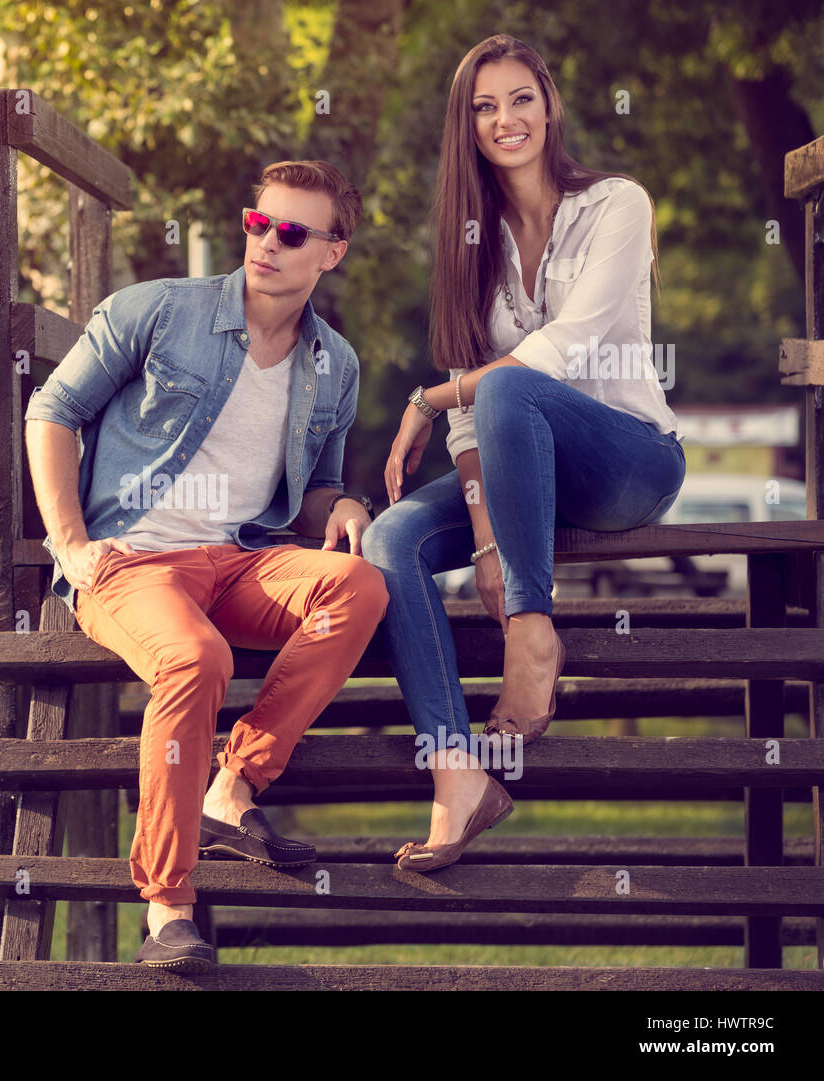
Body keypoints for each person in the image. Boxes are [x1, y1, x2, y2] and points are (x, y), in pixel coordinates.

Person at [24, 160, 389, 970]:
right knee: (195, 658)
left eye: (292, 233)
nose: (266, 243)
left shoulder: (336, 365)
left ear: (332, 252)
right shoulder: (156, 310)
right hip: (133, 562)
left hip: (244, 558)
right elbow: (51, 409)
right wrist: (70, 542)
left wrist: (344, 505)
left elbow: (314, 490)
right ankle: (166, 904)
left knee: (359, 584)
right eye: (260, 223)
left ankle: (235, 788)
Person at [361, 34, 685, 873]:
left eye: (520, 98)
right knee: (389, 538)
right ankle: (456, 772)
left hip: (629, 463)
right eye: (485, 106)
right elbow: (481, 419)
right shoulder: (471, 238)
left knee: (500, 385)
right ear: (467, 127)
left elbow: (561, 352)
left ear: (550, 105)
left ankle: (532, 638)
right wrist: (490, 536)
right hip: (520, 473)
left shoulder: (618, 203)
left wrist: (428, 399)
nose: (506, 119)